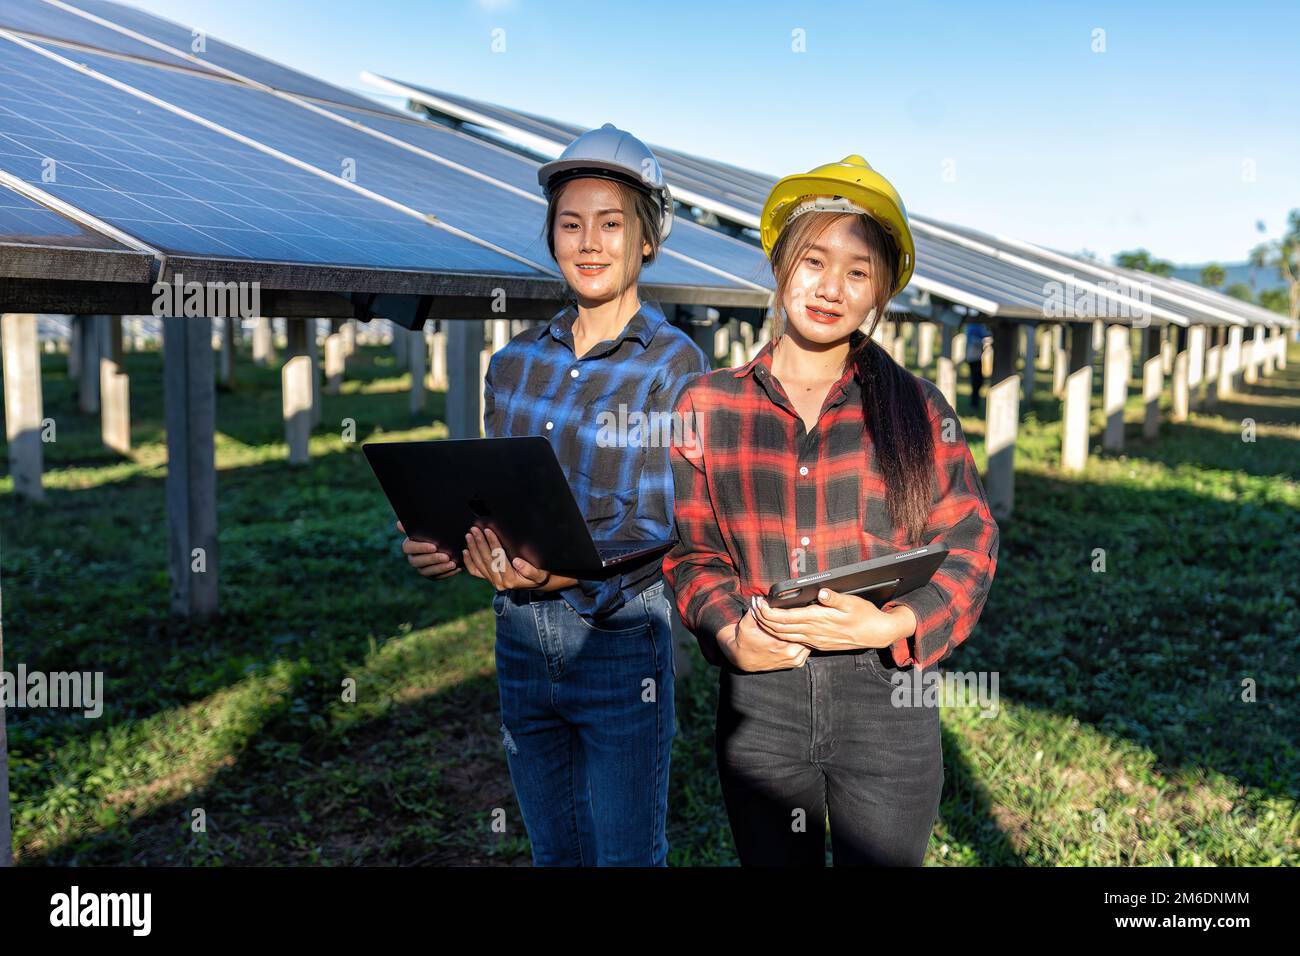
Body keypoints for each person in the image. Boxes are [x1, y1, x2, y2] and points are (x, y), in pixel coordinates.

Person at [663, 155, 1000, 866]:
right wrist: (729, 632)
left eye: (857, 271)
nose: (830, 287)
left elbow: (971, 538)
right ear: (781, 264)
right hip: (763, 699)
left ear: (880, 291)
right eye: (814, 260)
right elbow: (693, 554)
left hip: (888, 696)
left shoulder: (917, 408)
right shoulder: (708, 404)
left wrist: (896, 622)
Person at [399, 124, 710, 866]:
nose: (590, 242)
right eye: (571, 224)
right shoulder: (512, 366)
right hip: (519, 646)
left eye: (612, 223)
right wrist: (444, 541)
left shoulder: (673, 363)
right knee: (555, 854)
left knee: (628, 856)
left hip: (619, 645)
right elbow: (490, 501)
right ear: (550, 238)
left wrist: (559, 569)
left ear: (646, 243)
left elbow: (659, 519)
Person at [964, 321, 990, 413]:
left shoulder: (973, 325)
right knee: (977, 381)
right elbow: (978, 339)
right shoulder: (974, 326)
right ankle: (974, 403)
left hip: (975, 357)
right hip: (974, 357)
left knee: (977, 381)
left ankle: (975, 403)